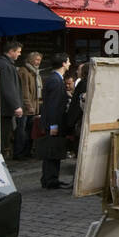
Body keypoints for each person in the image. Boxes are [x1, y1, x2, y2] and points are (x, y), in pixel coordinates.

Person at [37, 52, 71, 189]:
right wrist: (54, 125)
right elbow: (54, 106)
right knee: (52, 151)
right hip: (53, 122)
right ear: (63, 63)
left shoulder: (54, 78)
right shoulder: (56, 80)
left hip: (52, 121)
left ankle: (50, 178)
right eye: (68, 61)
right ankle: (50, 180)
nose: (69, 63)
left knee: (52, 150)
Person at [0, 39, 23, 159]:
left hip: (3, 108)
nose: (20, 54)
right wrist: (16, 106)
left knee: (4, 137)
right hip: (3, 109)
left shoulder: (4, 63)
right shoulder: (3, 64)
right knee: (2, 138)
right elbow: (7, 87)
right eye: (18, 52)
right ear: (11, 51)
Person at [17, 49, 43, 159]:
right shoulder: (24, 71)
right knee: (22, 131)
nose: (38, 62)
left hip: (33, 107)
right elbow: (24, 91)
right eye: (36, 60)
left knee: (30, 131)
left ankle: (27, 152)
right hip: (26, 107)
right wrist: (28, 106)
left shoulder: (35, 72)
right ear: (30, 60)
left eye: (40, 60)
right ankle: (19, 153)